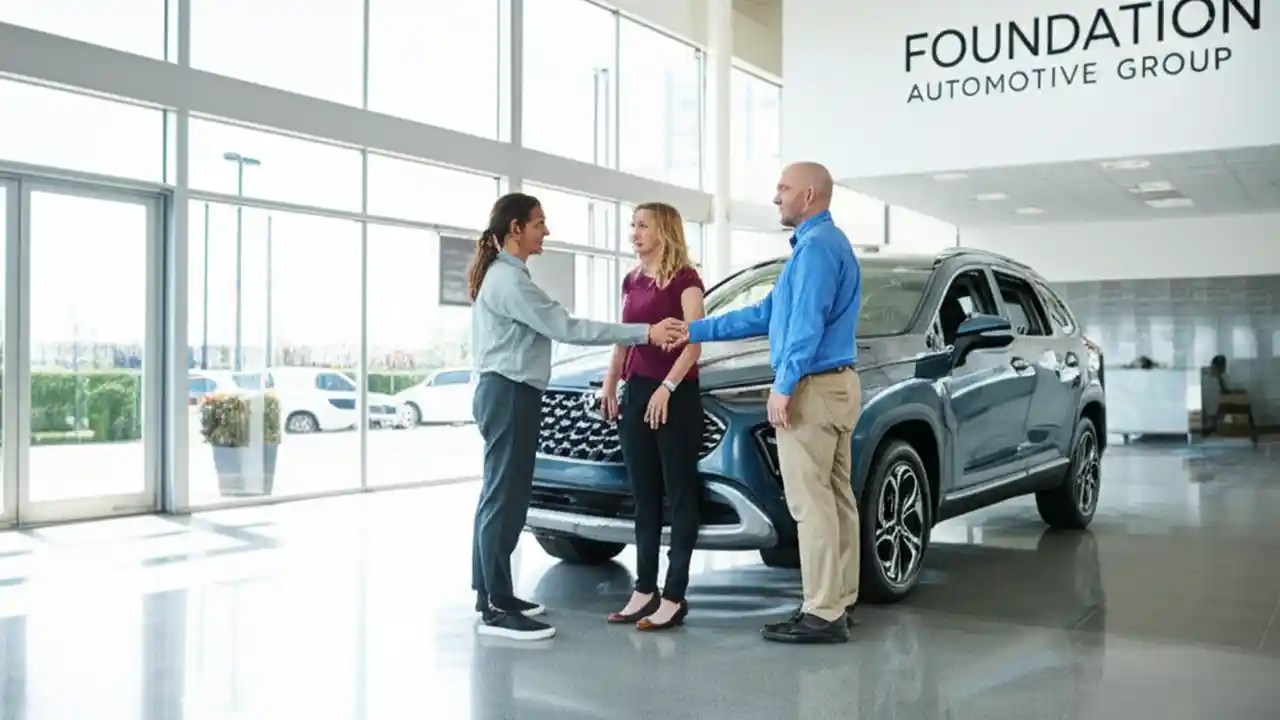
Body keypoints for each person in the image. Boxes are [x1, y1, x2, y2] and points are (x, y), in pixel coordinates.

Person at [467, 192, 686, 641]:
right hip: (508, 392)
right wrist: (645, 332)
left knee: (502, 495)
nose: (545, 230)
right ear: (515, 230)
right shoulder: (509, 282)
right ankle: (496, 606)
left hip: (509, 392)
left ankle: (491, 593)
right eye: (539, 223)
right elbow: (567, 329)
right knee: (504, 498)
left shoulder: (508, 276)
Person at [675, 162, 863, 644]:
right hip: (835, 384)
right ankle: (838, 601)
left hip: (814, 389)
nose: (776, 197)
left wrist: (785, 383)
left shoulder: (818, 249)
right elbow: (766, 314)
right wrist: (694, 330)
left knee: (812, 503)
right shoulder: (817, 247)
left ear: (810, 195)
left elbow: (806, 325)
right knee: (836, 498)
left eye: (783, 189)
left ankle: (822, 613)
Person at [600, 202, 706, 632]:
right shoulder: (630, 280)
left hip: (675, 395)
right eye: (633, 225)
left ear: (664, 230)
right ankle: (645, 589)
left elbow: (694, 343)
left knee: (679, 494)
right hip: (637, 392)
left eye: (642, 225)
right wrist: (610, 383)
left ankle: (675, 595)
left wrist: (668, 387)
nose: (634, 232)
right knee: (643, 496)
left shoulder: (687, 280)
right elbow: (625, 338)